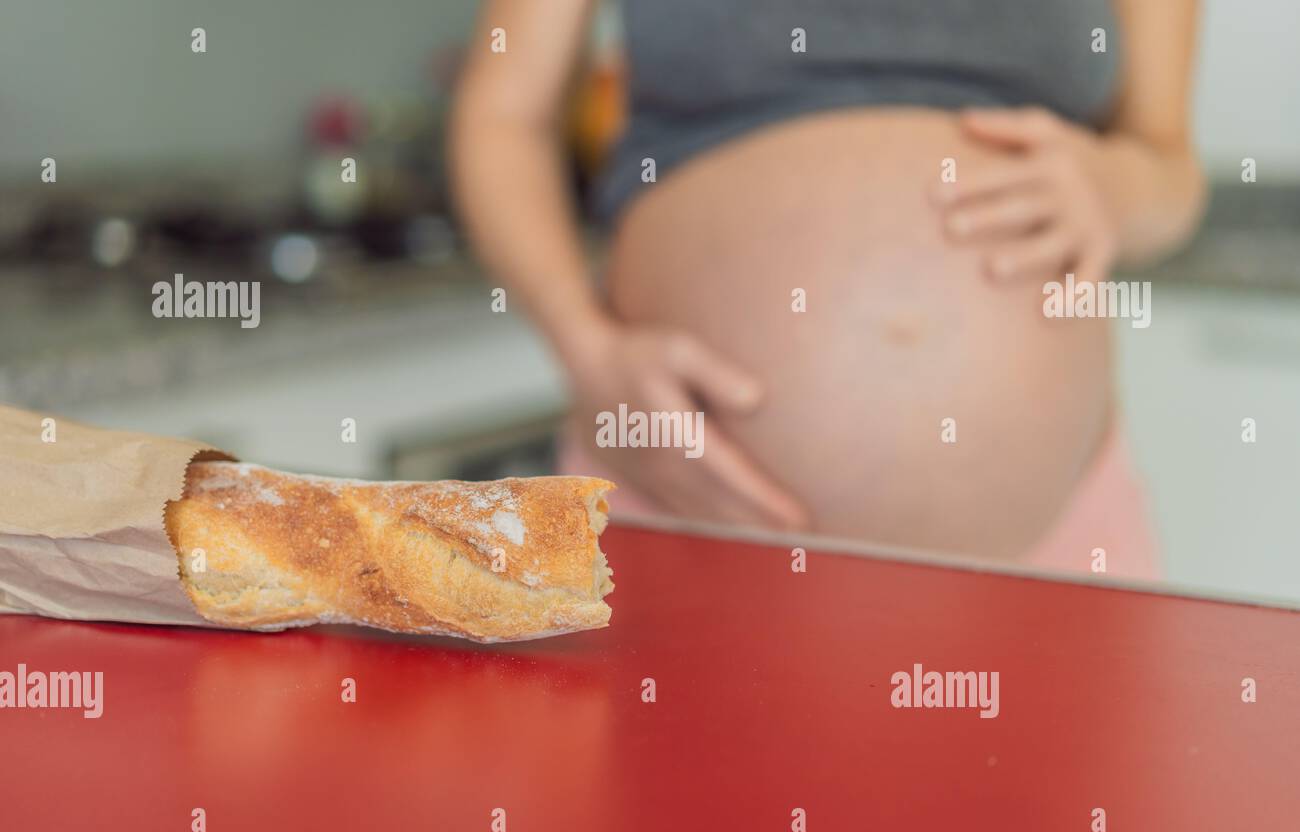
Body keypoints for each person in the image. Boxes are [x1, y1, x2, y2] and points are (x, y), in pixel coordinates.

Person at [450, 0, 1206, 578]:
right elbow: (504, 116)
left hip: (1055, 542)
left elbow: (1168, 164)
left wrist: (1115, 185)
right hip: (673, 507)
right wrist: (586, 350)